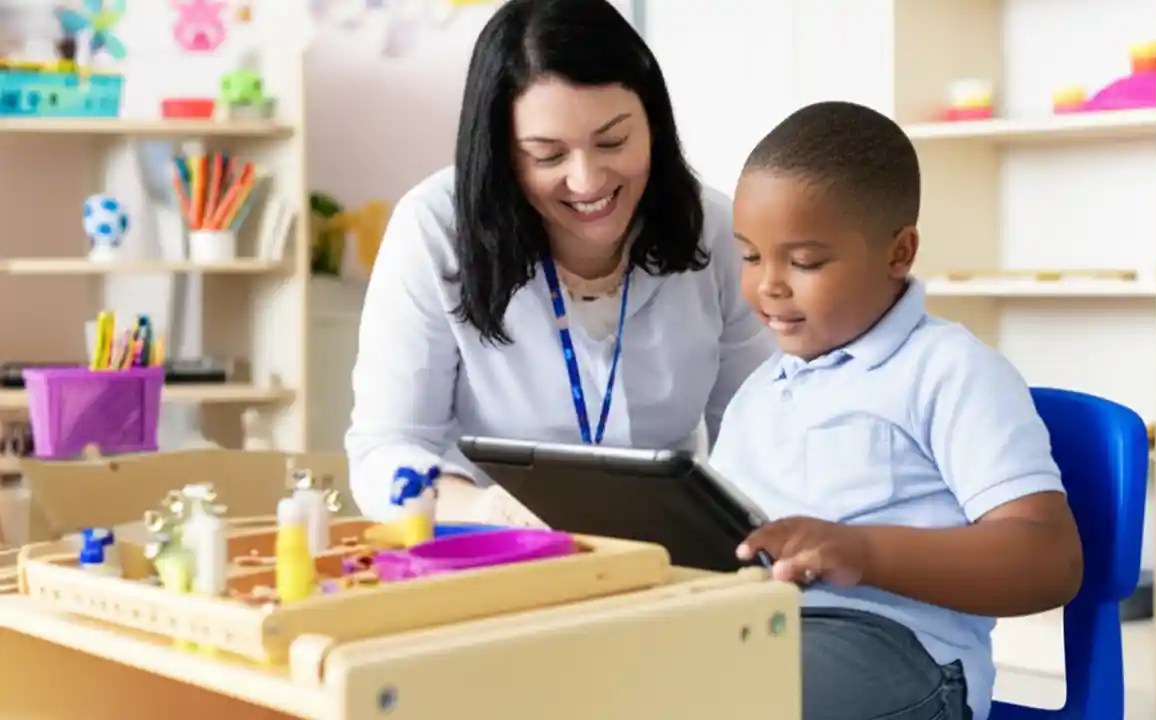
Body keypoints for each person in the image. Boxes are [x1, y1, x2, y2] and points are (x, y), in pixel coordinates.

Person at [710, 101, 1085, 720]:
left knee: (726, 701)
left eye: (804, 262)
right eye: (750, 256)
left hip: (904, 654)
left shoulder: (949, 370)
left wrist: (864, 553)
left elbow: (1049, 558)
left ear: (898, 253)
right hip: (759, 629)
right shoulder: (760, 390)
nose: (768, 285)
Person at [345, 0, 773, 520]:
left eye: (613, 141)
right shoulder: (435, 230)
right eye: (548, 155)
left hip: (668, 553)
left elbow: (760, 435)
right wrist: (482, 508)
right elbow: (385, 449)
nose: (588, 181)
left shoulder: (714, 232)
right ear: (500, 153)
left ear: (654, 125)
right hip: (493, 550)